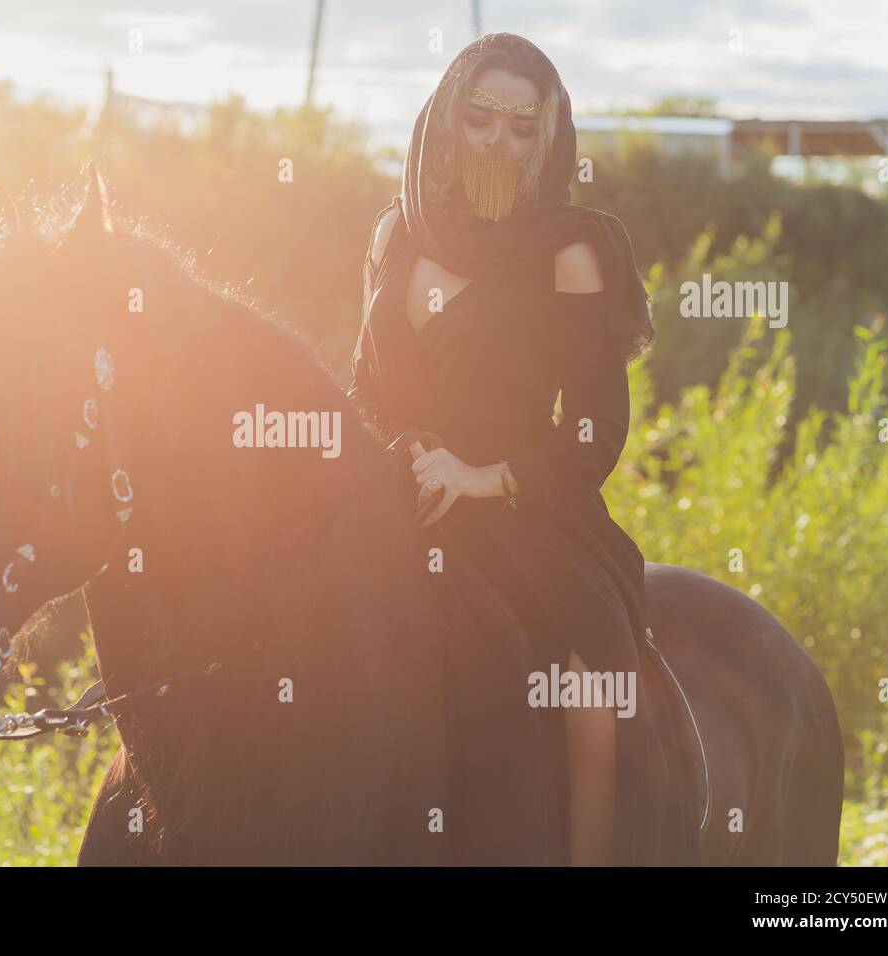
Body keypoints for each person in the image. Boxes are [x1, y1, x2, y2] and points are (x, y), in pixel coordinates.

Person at [348, 32, 700, 865]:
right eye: (479, 120)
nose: (498, 143)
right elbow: (363, 385)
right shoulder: (395, 233)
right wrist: (403, 451)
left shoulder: (573, 249)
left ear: (547, 139)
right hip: (398, 490)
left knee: (592, 677)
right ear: (443, 122)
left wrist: (480, 478)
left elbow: (596, 428)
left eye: (521, 128)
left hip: (531, 512)